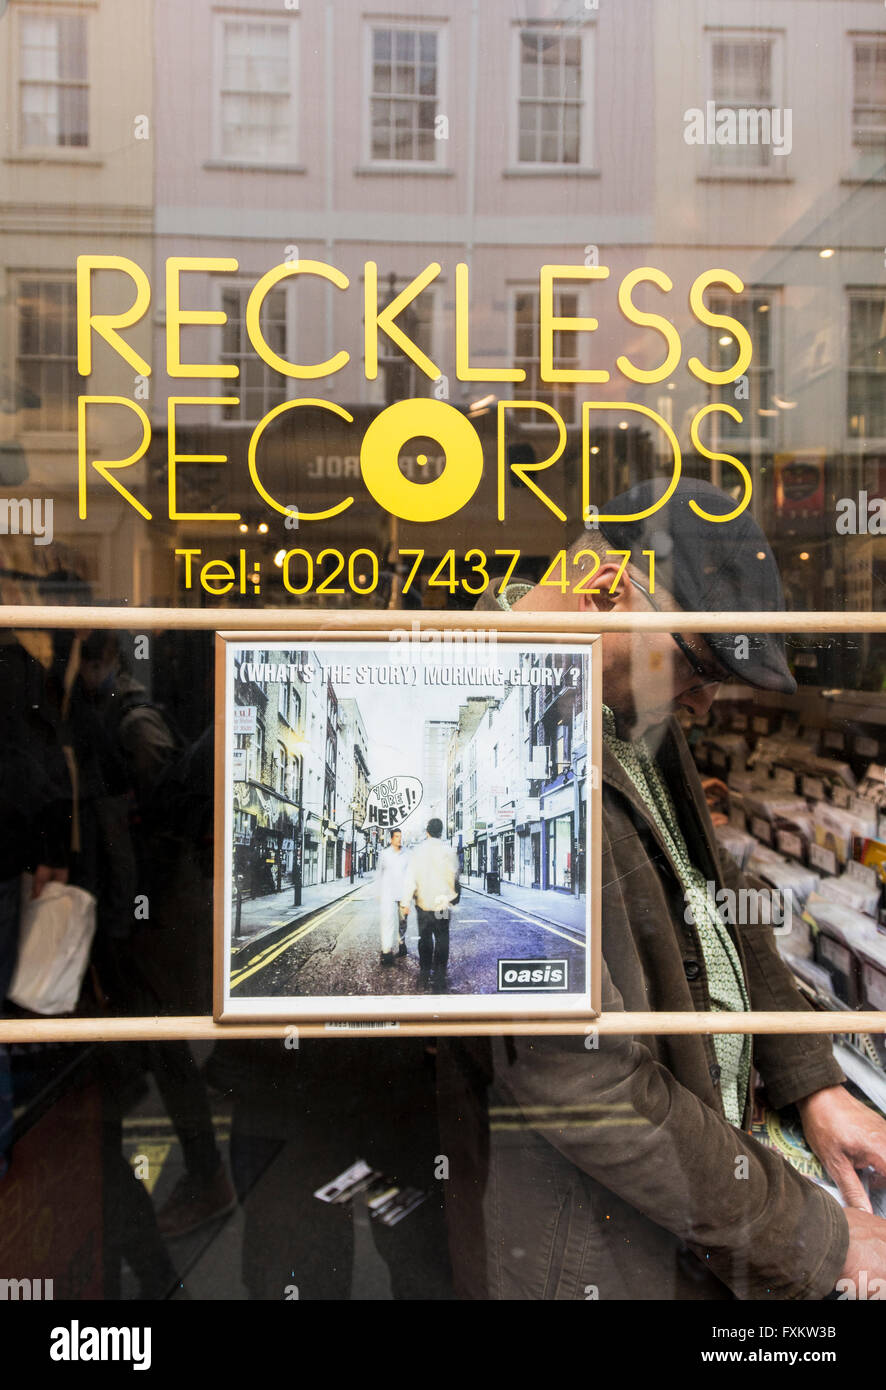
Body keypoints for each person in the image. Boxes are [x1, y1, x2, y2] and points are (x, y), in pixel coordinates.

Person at [437, 476, 886, 1300]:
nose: (708, 702)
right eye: (700, 663)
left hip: (681, 1209)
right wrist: (814, 1235)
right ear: (608, 591)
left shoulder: (621, 699)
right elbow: (576, 1074)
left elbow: (711, 887)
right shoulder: (480, 717)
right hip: (593, 1251)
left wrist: (810, 1081)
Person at [400, 819, 460, 991]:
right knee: (442, 938)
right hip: (442, 904)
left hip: (424, 904)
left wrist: (405, 902)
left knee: (425, 939)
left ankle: (425, 973)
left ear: (427, 832)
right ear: (441, 832)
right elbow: (455, 876)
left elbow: (410, 879)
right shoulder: (449, 851)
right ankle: (440, 976)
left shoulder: (418, 852)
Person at [376, 828, 410, 965]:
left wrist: (409, 897)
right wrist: (378, 891)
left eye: (400, 836)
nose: (399, 839)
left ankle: (402, 943)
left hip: (402, 894)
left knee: (403, 922)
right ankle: (387, 952)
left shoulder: (406, 854)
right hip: (388, 894)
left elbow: (410, 875)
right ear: (391, 839)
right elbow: (379, 873)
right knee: (387, 922)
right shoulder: (384, 854)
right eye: (396, 836)